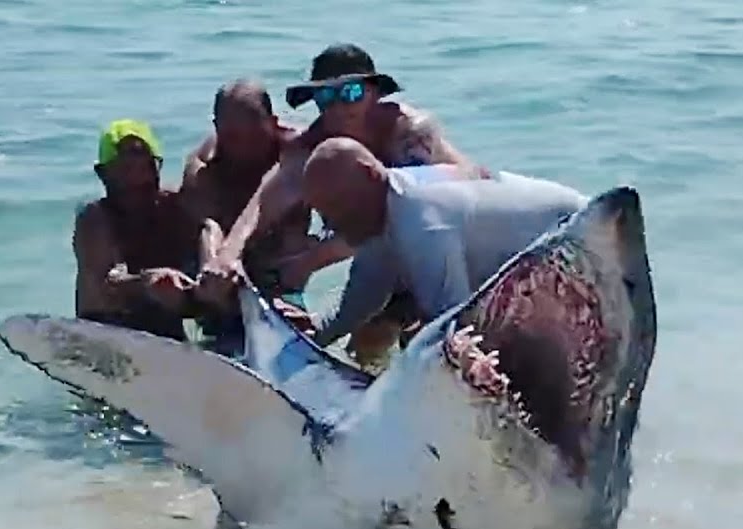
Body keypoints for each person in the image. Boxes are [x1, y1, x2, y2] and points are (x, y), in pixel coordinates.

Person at [193, 44, 478, 327]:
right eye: (327, 96)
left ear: (374, 93)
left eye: (351, 93)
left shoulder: (407, 133)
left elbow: (414, 214)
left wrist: (311, 260)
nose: (339, 107)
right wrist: (229, 254)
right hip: (389, 258)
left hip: (458, 243)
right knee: (367, 346)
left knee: (427, 334)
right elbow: (265, 202)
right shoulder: (310, 147)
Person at [280, 138, 587, 348]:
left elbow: (456, 323)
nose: (334, 226)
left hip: (580, 235)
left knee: (426, 341)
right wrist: (313, 333)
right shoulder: (382, 213)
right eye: (325, 216)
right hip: (531, 263)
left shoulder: (422, 221)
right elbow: (362, 300)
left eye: (337, 209)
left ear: (371, 175)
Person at [139, 80, 317, 348]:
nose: (244, 147)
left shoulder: (297, 152)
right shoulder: (203, 168)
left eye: (255, 135)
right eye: (232, 136)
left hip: (279, 269)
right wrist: (214, 273)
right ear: (216, 128)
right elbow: (209, 227)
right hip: (219, 265)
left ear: (274, 122)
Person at [71, 119, 200, 341]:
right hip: (107, 328)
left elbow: (212, 222)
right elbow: (106, 286)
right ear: (102, 173)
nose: (138, 179)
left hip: (163, 330)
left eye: (146, 167)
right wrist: (146, 283)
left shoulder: (173, 206)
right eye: (125, 170)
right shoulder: (94, 219)